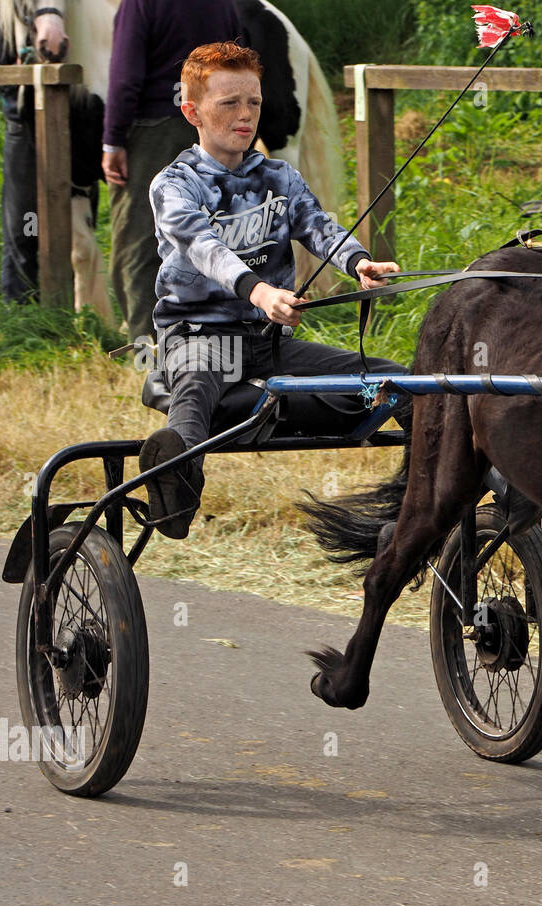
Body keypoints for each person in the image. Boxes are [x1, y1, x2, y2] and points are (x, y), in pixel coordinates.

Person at [142, 41, 405, 539]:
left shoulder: (279, 176)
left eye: (254, 103)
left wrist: (358, 261)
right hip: (198, 339)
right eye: (229, 103)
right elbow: (204, 249)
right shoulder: (174, 185)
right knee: (197, 383)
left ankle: (424, 497)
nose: (245, 115)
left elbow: (319, 226)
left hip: (268, 346)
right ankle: (175, 482)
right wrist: (261, 292)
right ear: (192, 112)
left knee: (401, 382)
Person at [103, 0, 242, 343]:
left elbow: (125, 76)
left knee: (139, 241)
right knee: (214, 234)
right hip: (211, 128)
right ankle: (211, 338)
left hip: (154, 132)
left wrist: (112, 140)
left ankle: (147, 346)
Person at [0, 1, 70, 303]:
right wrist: (20, 65)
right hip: (22, 125)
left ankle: (66, 300)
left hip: (67, 123)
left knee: (73, 215)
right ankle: (20, 305)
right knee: (23, 222)